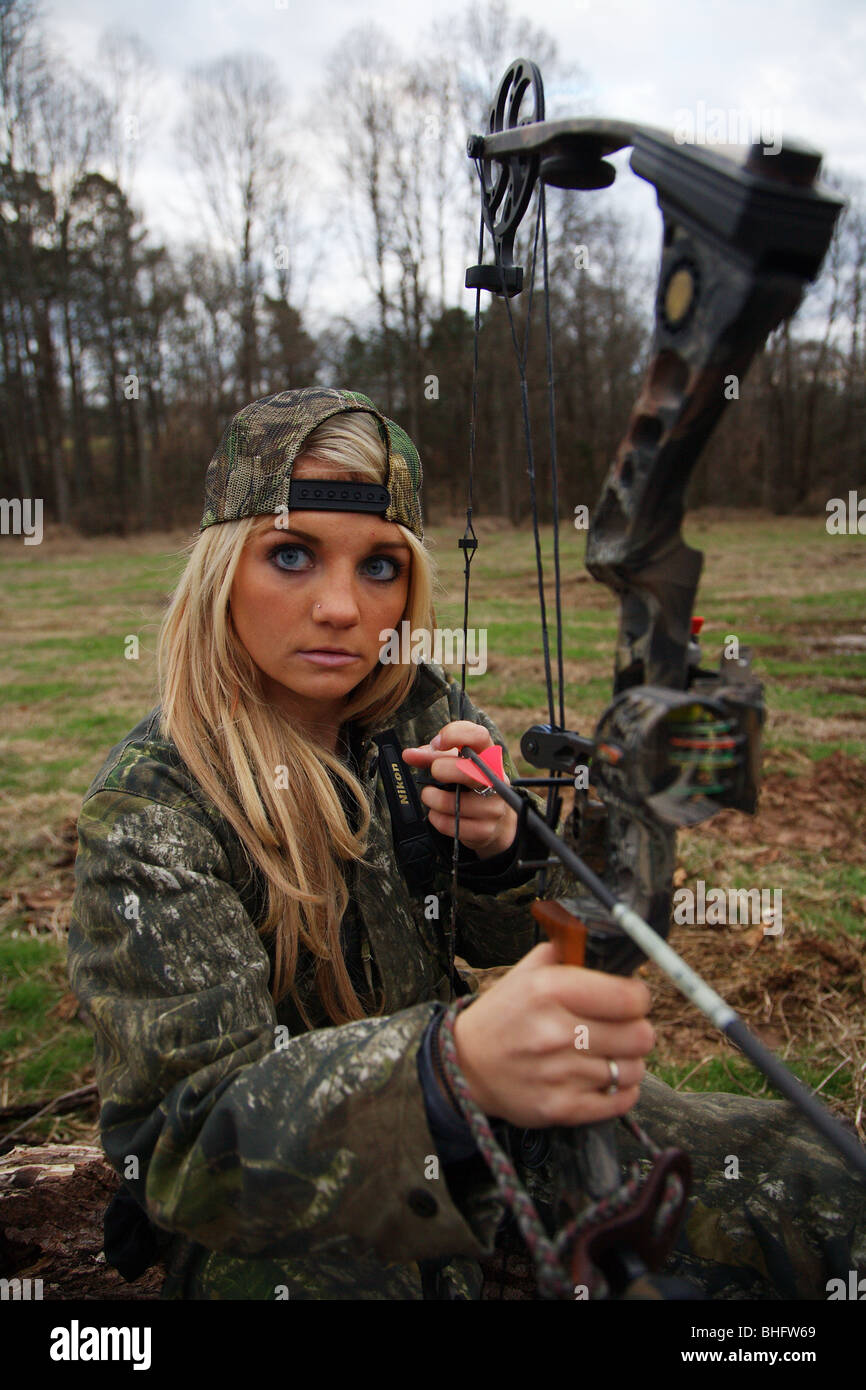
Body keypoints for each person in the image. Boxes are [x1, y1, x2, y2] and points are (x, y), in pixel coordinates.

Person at [68, 387, 864, 1301]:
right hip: (279, 1207)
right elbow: (180, 1144)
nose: (340, 607)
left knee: (813, 1176)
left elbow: (507, 940)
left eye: (380, 567)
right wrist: (448, 1070)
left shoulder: (422, 711)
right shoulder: (150, 805)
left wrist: (498, 852)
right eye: (290, 555)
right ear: (220, 573)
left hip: (483, 1127)